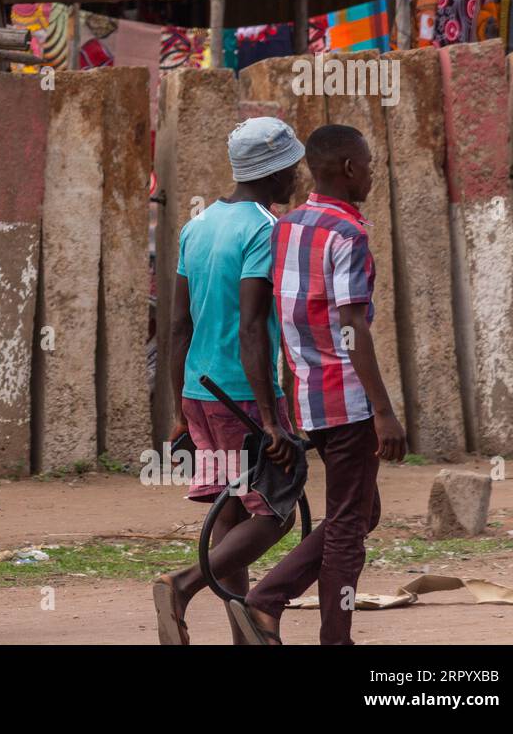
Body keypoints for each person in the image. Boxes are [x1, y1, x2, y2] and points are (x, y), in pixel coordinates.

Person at [230, 124, 407, 646]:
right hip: (348, 399)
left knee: (359, 511)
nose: (372, 173)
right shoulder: (348, 233)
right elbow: (352, 325)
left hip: (307, 397)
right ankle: (324, 633)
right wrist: (383, 410)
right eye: (369, 165)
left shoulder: (288, 227)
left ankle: (268, 598)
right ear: (350, 169)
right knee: (350, 527)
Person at [153, 117, 302, 645]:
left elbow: (176, 326)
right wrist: (270, 418)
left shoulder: (198, 225)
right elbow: (251, 331)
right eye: (293, 166)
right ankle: (184, 583)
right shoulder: (265, 228)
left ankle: (243, 634)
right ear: (276, 172)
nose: (298, 174)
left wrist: (179, 410)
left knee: (231, 508)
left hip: (199, 392)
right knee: (278, 511)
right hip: (242, 396)